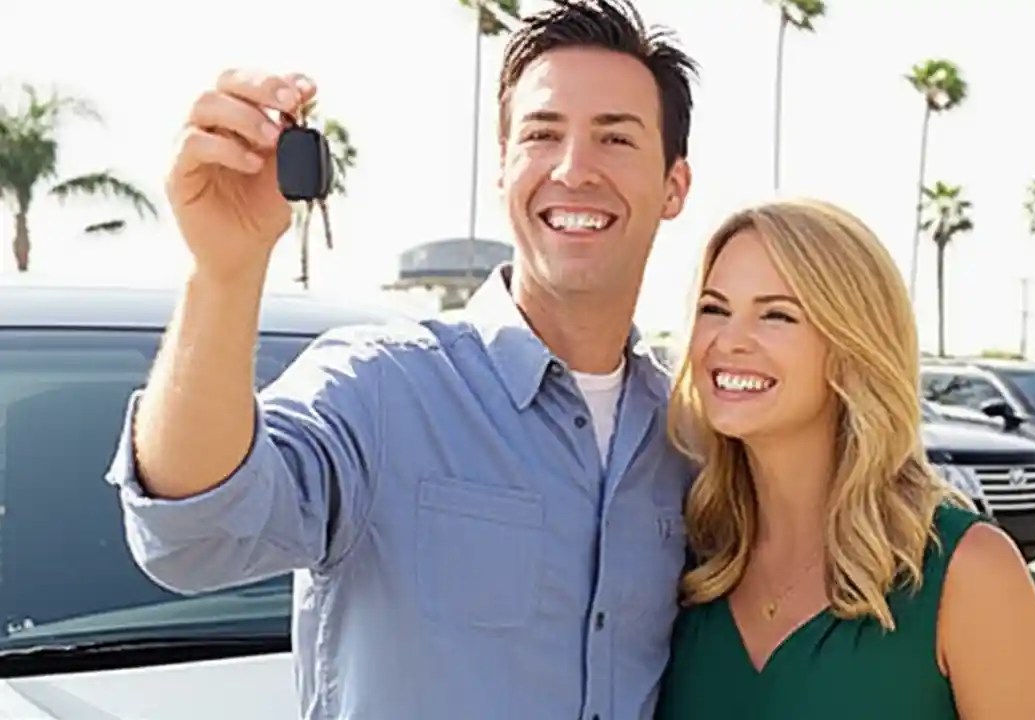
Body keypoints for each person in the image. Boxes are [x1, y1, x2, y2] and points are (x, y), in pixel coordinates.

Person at [103, 1, 697, 718]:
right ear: (502, 169)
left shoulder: (689, 441)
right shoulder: (379, 388)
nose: (574, 169)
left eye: (616, 139)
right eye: (542, 134)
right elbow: (193, 536)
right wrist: (223, 273)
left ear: (674, 187)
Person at [653, 199, 1035, 719]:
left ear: (853, 348)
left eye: (777, 314)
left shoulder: (969, 572)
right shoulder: (689, 556)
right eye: (714, 309)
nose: (728, 341)